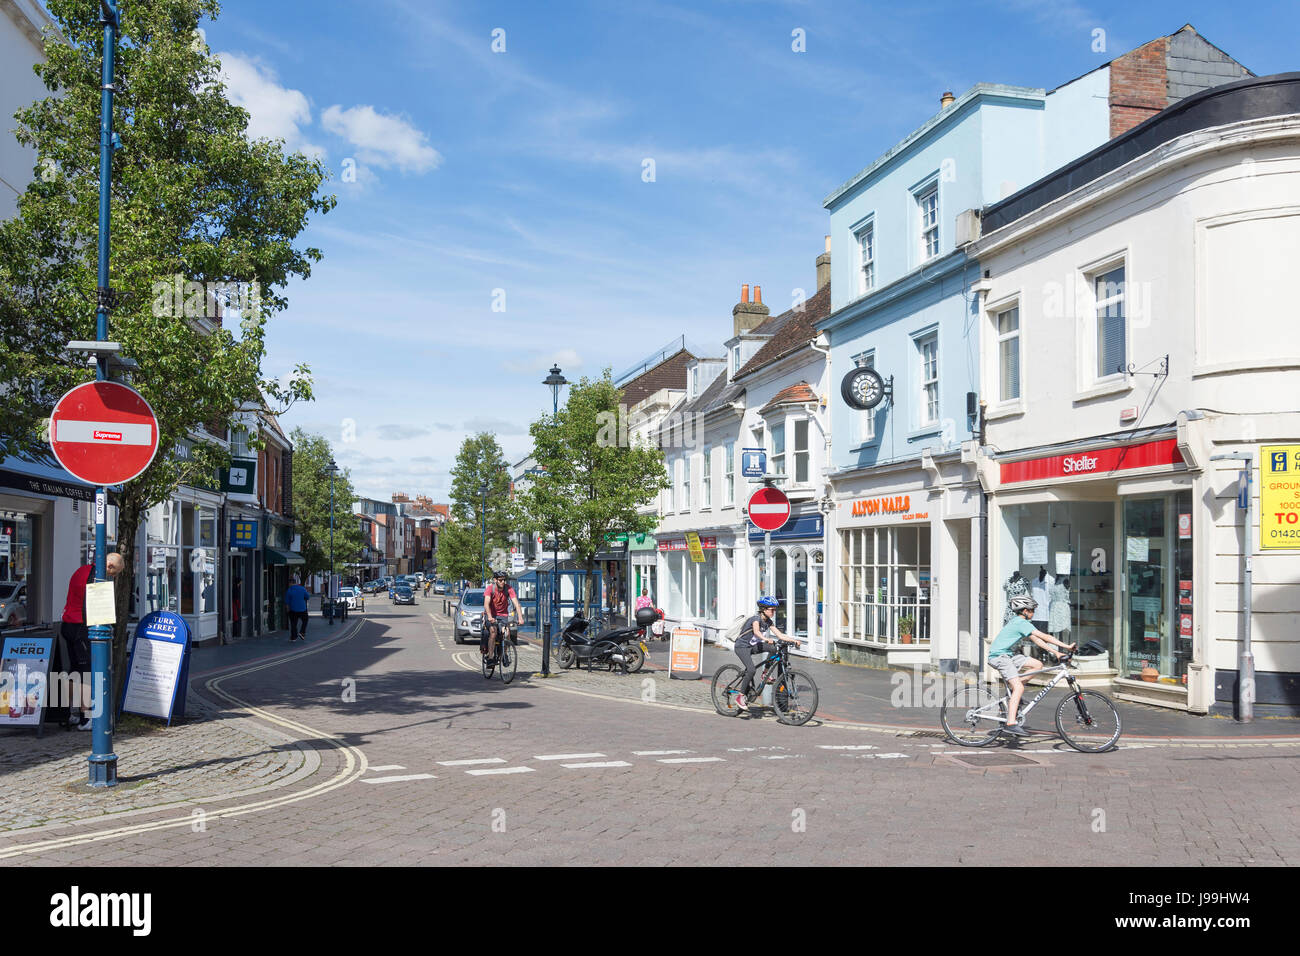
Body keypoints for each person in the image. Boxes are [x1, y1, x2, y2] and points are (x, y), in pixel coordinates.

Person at [988, 595, 1076, 736]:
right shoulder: (1021, 623)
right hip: (999, 657)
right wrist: (1067, 646)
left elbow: (1038, 641)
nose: (1033, 613)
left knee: (1037, 664)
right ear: (1024, 611)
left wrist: (1056, 653)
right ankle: (1010, 723)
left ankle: (1014, 693)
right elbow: (1045, 636)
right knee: (1019, 687)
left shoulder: (1020, 622)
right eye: (1031, 610)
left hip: (1008, 655)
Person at [60, 551, 123, 730]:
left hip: (68, 624)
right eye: (115, 573)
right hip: (81, 627)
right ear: (109, 566)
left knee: (74, 671)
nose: (114, 577)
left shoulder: (81, 570)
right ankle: (85, 718)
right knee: (86, 672)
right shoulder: (96, 578)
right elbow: (93, 607)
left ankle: (69, 713)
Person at [733, 596, 801, 714]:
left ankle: (765, 673)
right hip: (742, 646)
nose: (773, 612)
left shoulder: (769, 621)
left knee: (773, 648)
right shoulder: (756, 618)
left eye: (775, 610)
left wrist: (793, 640)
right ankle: (740, 696)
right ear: (763, 609)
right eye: (771, 609)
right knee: (751, 670)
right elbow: (756, 631)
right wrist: (765, 639)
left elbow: (780, 635)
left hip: (752, 646)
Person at [482, 570, 524, 662]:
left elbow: (517, 604)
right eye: (500, 580)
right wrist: (489, 616)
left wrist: (520, 618)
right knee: (493, 632)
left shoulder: (509, 589)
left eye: (504, 580)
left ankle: (504, 655)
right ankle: (490, 657)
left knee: (507, 633)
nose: (503, 582)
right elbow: (486, 604)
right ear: (495, 580)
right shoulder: (490, 589)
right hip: (491, 615)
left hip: (503, 616)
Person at [285, 577, 310, 642]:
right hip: (302, 608)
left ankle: (293, 637)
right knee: (305, 620)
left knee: (293, 624)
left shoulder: (289, 590)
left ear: (290, 583)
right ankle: (302, 632)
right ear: (295, 582)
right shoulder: (302, 588)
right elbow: (307, 597)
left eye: (289, 583)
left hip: (293, 609)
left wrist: (288, 610)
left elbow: (287, 602)